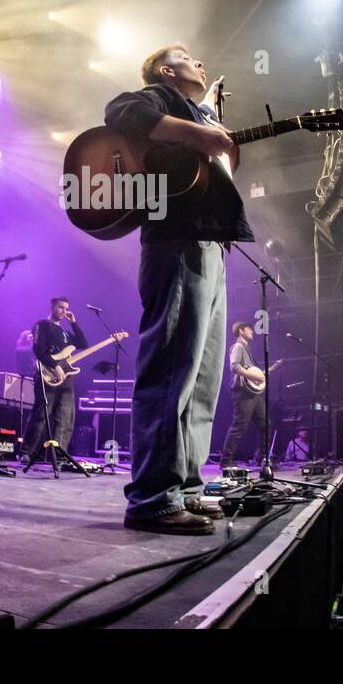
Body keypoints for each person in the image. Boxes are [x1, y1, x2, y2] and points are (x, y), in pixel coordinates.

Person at [102, 44, 252, 535]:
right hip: (177, 242)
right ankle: (151, 498)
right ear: (167, 71)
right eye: (188, 57)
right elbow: (121, 113)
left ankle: (186, 485)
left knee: (203, 378)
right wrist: (202, 130)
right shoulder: (153, 97)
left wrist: (212, 124)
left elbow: (213, 172)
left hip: (212, 245)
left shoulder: (197, 114)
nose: (201, 61)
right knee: (171, 371)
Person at [21, 296, 88, 462]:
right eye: (60, 307)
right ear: (52, 307)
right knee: (41, 414)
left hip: (66, 379)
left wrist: (74, 322)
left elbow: (83, 343)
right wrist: (55, 365)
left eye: (66, 308)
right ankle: (26, 452)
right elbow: (38, 349)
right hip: (47, 374)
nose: (64, 311)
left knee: (65, 417)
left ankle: (58, 455)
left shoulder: (65, 333)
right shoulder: (42, 325)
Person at [219, 321, 269, 468]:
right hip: (243, 393)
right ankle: (225, 461)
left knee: (265, 425)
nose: (252, 332)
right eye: (250, 330)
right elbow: (234, 366)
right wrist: (254, 377)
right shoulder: (238, 347)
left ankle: (262, 458)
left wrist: (258, 376)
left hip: (254, 394)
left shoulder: (248, 349)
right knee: (239, 426)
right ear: (241, 331)